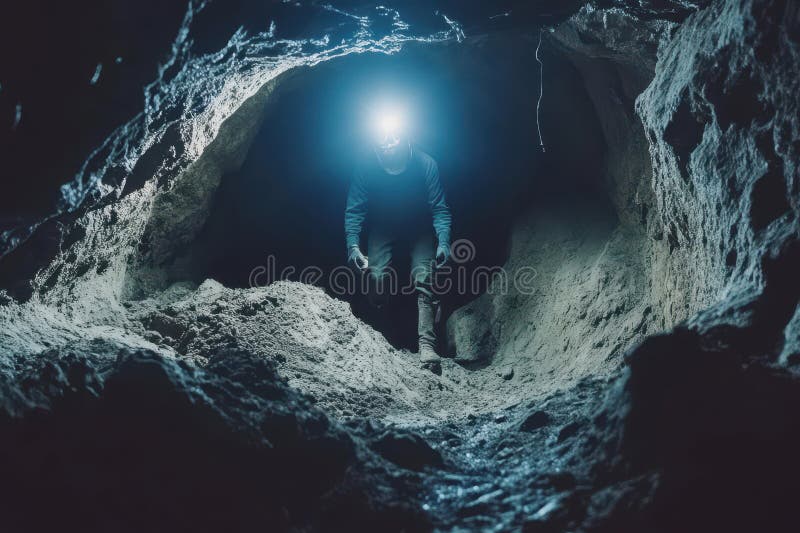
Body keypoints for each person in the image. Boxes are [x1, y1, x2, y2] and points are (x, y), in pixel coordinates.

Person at [344, 125, 452, 366]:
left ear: (406, 136)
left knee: (425, 277)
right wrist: (353, 245)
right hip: (384, 226)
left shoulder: (426, 164)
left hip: (419, 228)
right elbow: (355, 209)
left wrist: (443, 241)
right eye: (381, 135)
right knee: (377, 278)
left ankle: (427, 344)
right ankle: (381, 339)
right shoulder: (366, 166)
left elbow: (439, 207)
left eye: (394, 134)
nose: (388, 141)